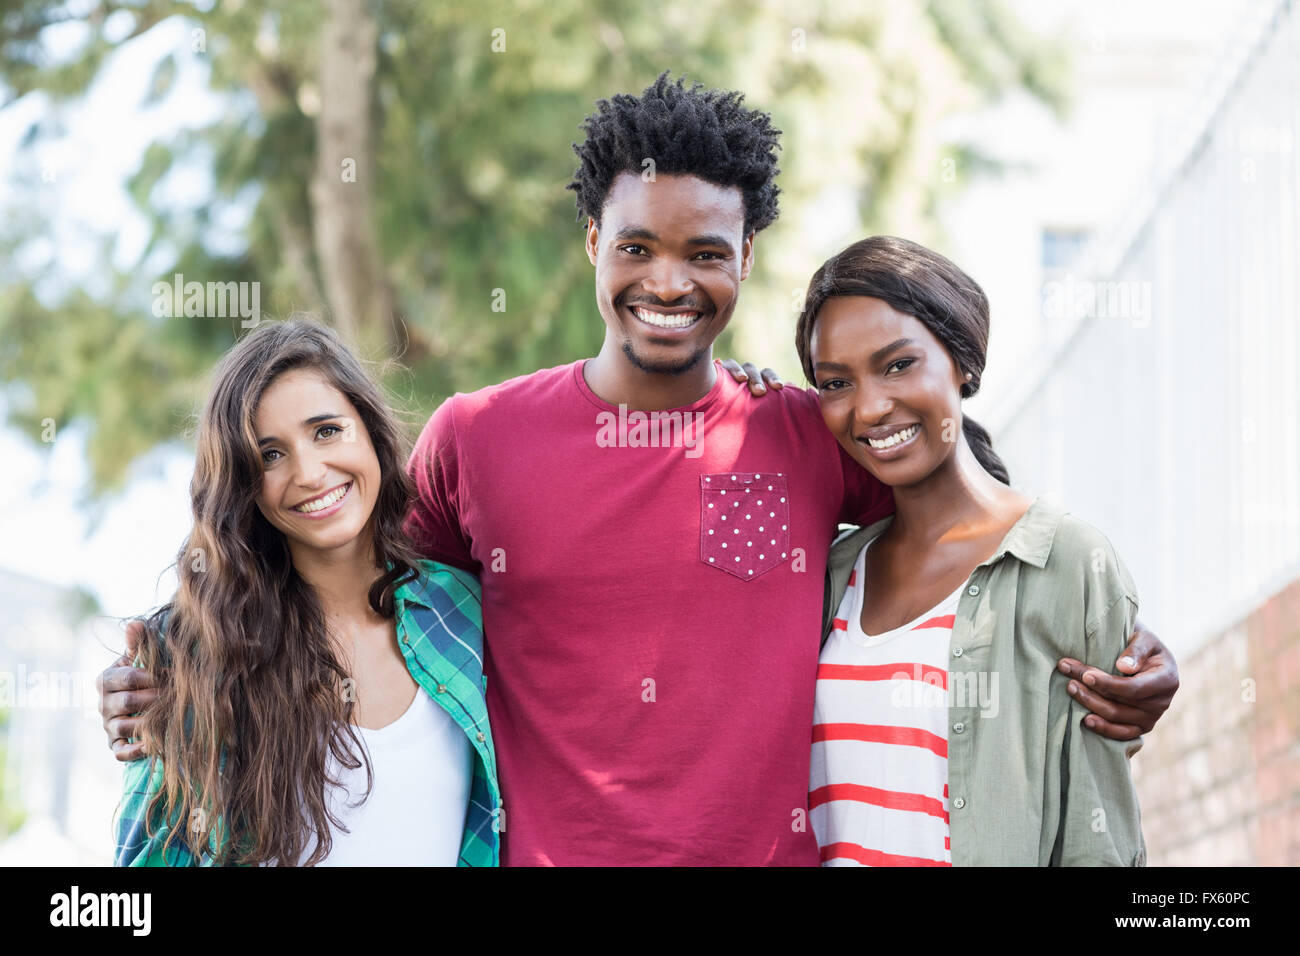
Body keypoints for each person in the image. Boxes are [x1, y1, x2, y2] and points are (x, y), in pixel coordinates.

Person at [100, 74, 1178, 866]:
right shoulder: (478, 436)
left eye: (705, 251)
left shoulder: (808, 430)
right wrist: (174, 670)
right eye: (637, 248)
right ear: (591, 244)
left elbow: (962, 511)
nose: (670, 280)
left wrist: (1122, 645)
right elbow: (346, 582)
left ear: (747, 256)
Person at [799, 236, 1147, 865]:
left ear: (960, 361)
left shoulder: (1065, 560)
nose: (870, 406)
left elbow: (1099, 841)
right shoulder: (833, 574)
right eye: (836, 383)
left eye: (899, 364)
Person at [113, 321, 501, 866]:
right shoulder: (194, 651)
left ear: (369, 430)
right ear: (241, 485)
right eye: (270, 455)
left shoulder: (461, 609)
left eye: (326, 431)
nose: (310, 473)